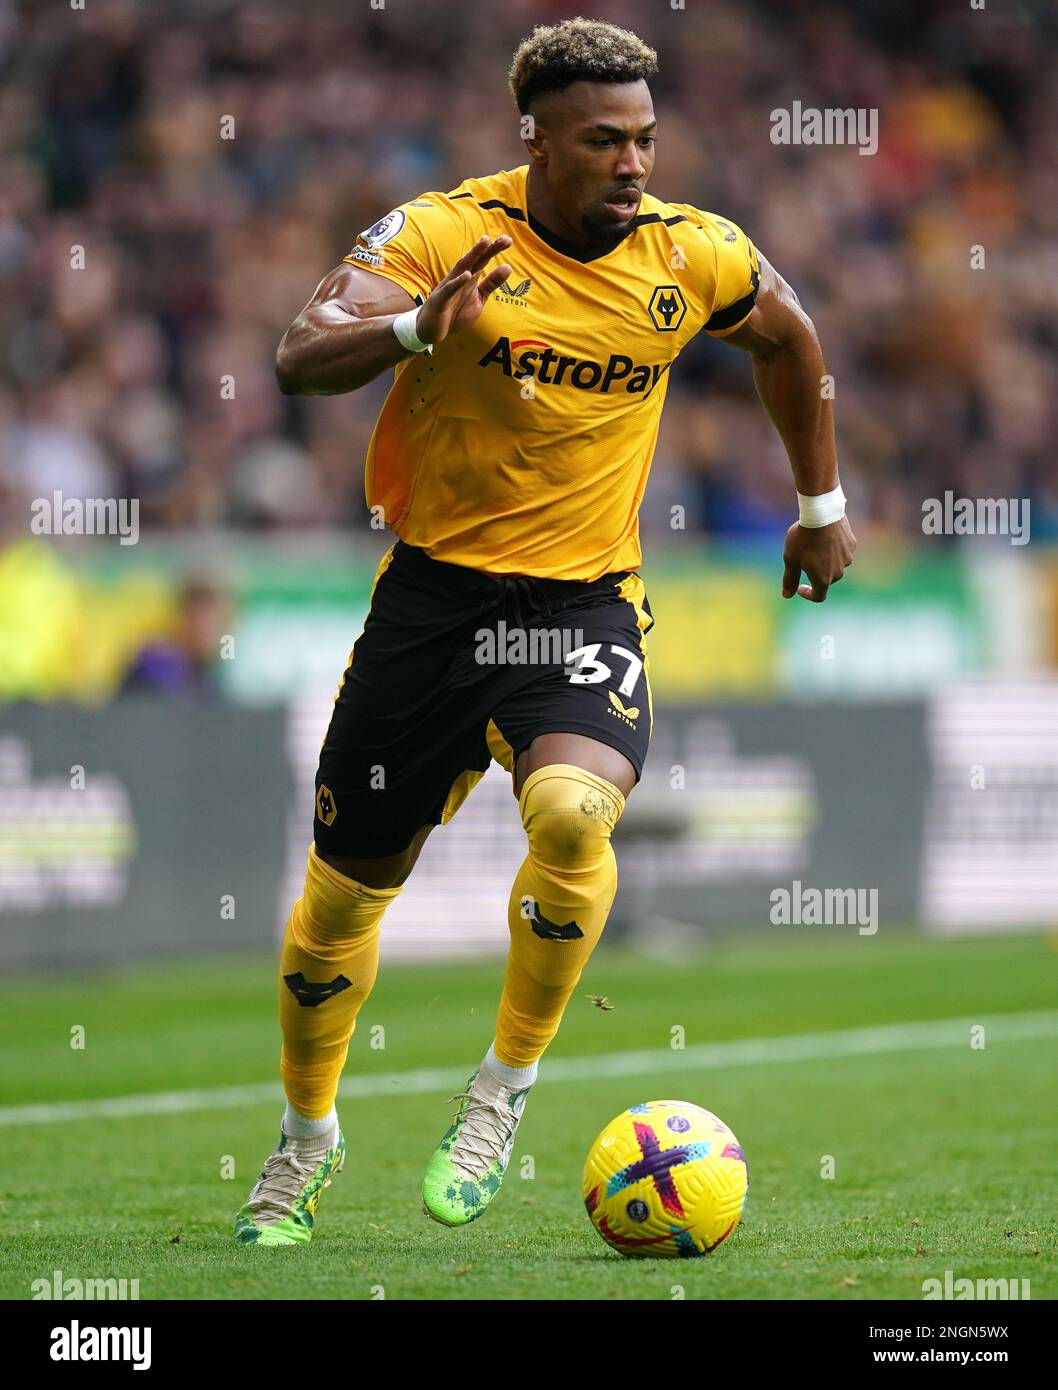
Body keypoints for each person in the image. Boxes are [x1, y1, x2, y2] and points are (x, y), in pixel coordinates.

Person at [236, 17, 855, 1245]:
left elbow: (787, 336)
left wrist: (818, 508)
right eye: (601, 142)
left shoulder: (693, 254)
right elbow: (299, 355)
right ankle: (306, 1138)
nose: (632, 164)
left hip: (582, 602)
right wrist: (417, 332)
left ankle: (499, 1091)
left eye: (643, 139)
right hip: (431, 604)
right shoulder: (441, 234)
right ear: (535, 139)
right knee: (334, 916)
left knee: (573, 813)